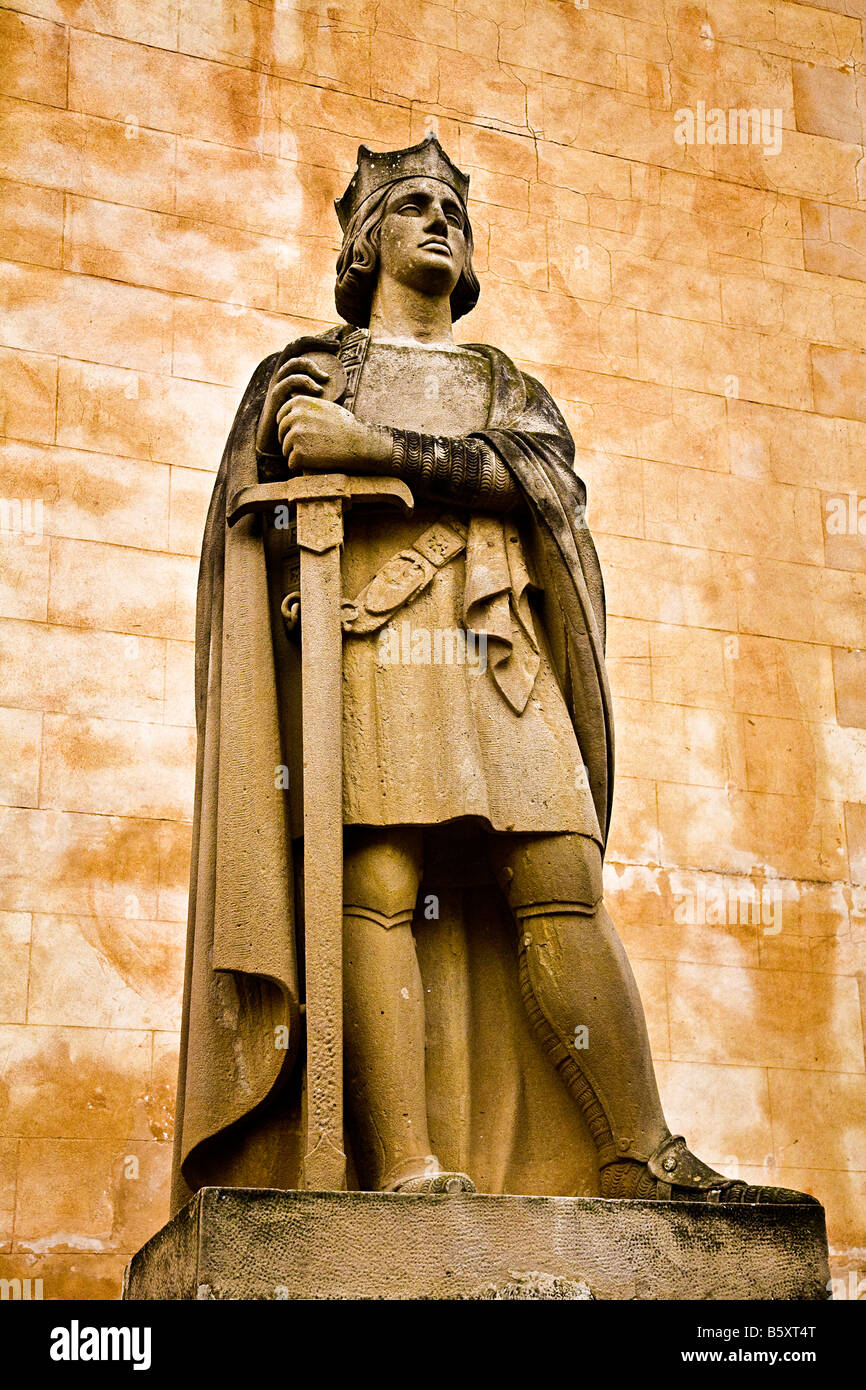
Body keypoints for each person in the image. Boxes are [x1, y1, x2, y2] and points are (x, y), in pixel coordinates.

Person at [171, 137, 816, 1211]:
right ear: (364, 238)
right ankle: (414, 1168)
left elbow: (544, 478)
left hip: (496, 645)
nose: (437, 220)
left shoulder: (501, 382)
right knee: (377, 881)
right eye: (410, 204)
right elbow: (247, 545)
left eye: (451, 210)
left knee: (560, 875)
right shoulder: (307, 372)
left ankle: (638, 1151)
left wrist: (373, 449)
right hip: (371, 641)